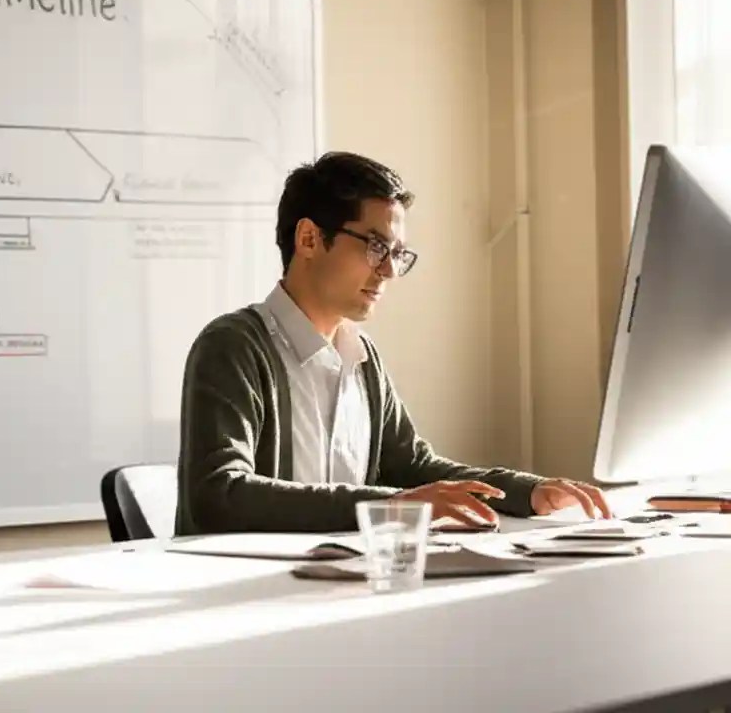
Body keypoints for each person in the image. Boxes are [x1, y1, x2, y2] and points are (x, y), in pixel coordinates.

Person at [174, 151, 612, 535]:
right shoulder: (233, 346)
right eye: (375, 246)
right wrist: (388, 508)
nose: (388, 272)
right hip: (250, 606)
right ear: (308, 238)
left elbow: (414, 470)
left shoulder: (362, 357)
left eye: (397, 254)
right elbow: (219, 495)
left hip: (341, 590)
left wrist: (528, 491)